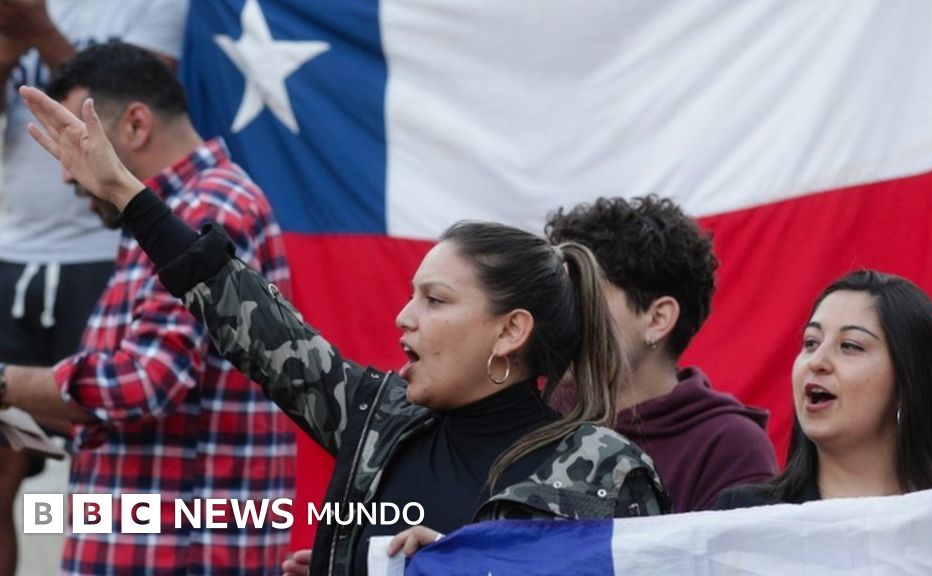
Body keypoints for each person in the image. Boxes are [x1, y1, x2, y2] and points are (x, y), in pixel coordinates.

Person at [18, 81, 672, 576]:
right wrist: (128, 193)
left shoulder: (602, 471)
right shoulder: (380, 420)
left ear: (511, 332)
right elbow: (257, 320)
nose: (404, 318)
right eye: (410, 297)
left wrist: (465, 563)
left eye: (436, 301)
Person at [1, 43, 295, 575]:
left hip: (177, 555)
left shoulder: (206, 210)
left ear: (135, 125)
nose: (67, 174)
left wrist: (4, 384)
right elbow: (138, 404)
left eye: (74, 141)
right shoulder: (166, 217)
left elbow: (143, 383)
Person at [0, 2, 187, 574]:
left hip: (109, 251)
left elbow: (139, 103)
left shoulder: (159, 4)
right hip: (12, 250)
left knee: (116, 470)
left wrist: (40, 32)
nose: (64, 168)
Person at [545, 195, 777, 512]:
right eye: (558, 297)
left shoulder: (728, 448)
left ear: (658, 319)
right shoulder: (533, 419)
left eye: (582, 296)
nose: (559, 316)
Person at [714, 270, 932, 509]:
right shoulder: (743, 514)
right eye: (811, 342)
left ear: (906, 383)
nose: (817, 361)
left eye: (849, 346)